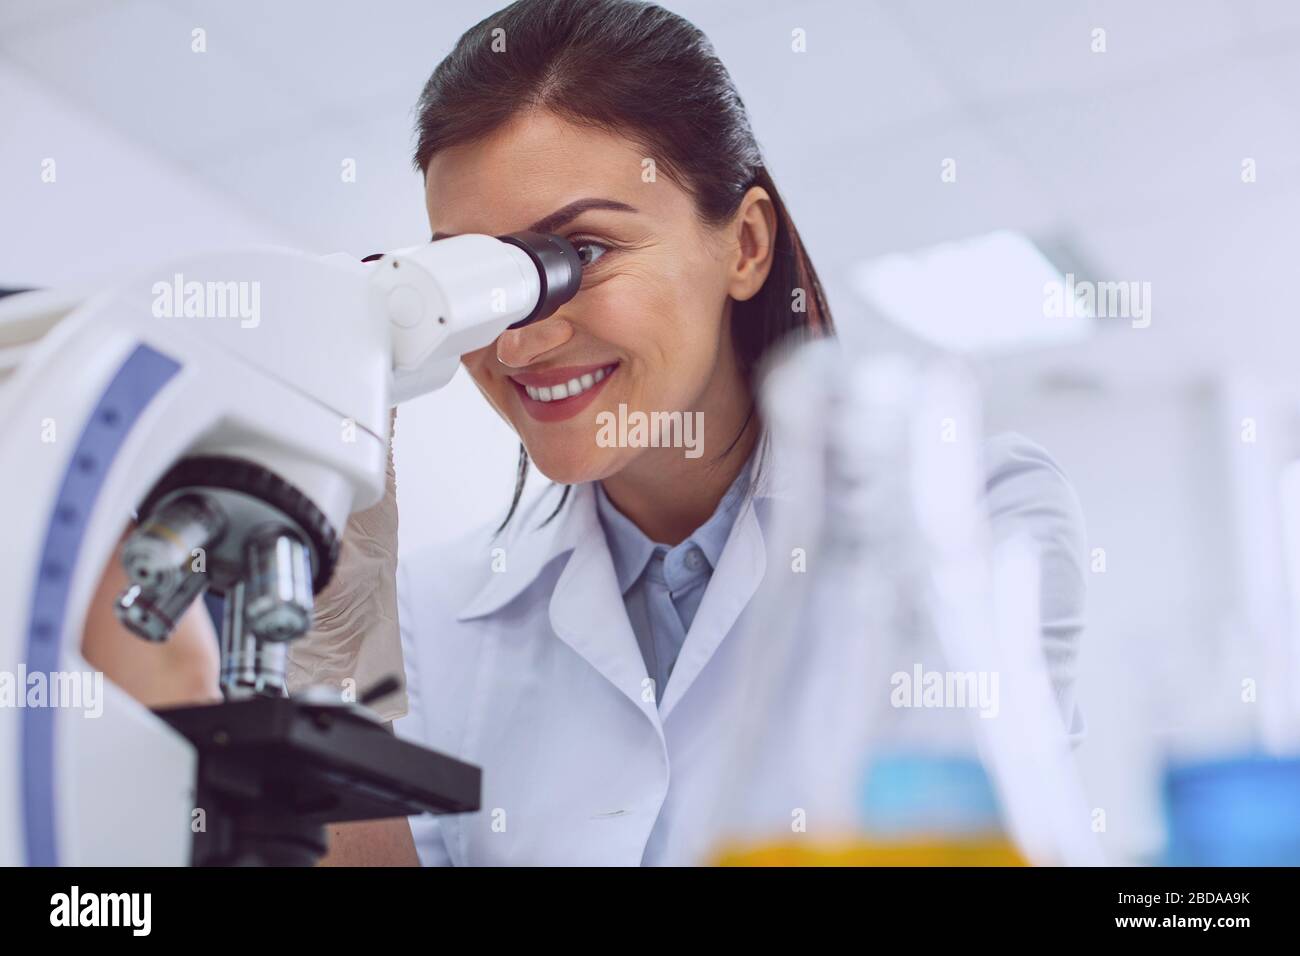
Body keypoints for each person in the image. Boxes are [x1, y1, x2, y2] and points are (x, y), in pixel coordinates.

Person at [306, 0, 1087, 866]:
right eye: (477, 279)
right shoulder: (427, 617)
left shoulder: (971, 516)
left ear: (745, 245)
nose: (519, 340)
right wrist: (327, 690)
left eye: (582, 253)